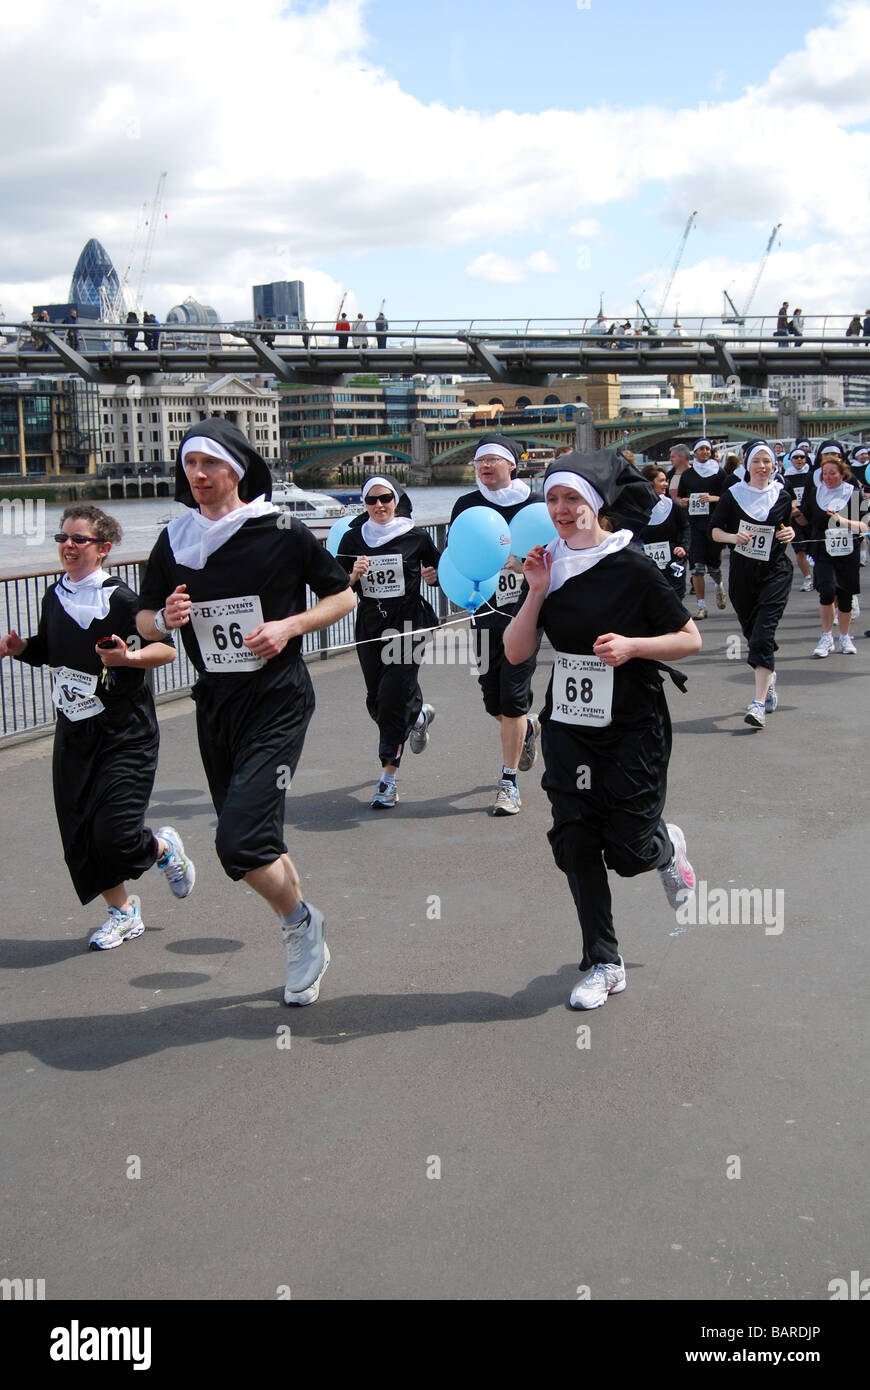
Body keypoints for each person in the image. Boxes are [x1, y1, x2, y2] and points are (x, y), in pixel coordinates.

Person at [136, 418, 355, 1005]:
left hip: (277, 697)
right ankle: (306, 932)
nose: (199, 474)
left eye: (210, 463)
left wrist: (289, 625)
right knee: (262, 835)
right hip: (215, 703)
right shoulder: (174, 539)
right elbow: (144, 616)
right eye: (190, 464)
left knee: (238, 843)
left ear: (237, 468)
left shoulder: (280, 529)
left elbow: (343, 594)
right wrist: (164, 621)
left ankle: (298, 924)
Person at [503, 449, 700, 1010]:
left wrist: (634, 646)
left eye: (573, 500)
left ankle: (666, 848)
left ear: (595, 506)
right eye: (554, 499)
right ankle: (603, 961)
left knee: (631, 850)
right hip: (569, 727)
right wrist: (536, 589)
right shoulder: (546, 565)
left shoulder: (631, 566)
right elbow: (516, 653)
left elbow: (689, 638)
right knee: (577, 841)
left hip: (633, 724)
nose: (561, 510)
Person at [0, 506, 193, 949]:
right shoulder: (55, 595)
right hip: (74, 731)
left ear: (104, 549)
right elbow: (51, 649)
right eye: (62, 537)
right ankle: (123, 912)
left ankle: (163, 850)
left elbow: (164, 653)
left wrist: (128, 658)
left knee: (118, 834)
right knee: (80, 831)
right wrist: (21, 647)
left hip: (125, 732)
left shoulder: (122, 600)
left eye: (78, 539)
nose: (68, 545)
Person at [449, 435, 542, 815]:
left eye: (493, 460)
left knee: (513, 695)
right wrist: (438, 572)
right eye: (479, 462)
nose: (485, 466)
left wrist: (524, 565)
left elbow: (559, 549)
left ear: (512, 465)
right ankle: (527, 730)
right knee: (492, 699)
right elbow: (457, 553)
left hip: (527, 612)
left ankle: (508, 782)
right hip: (484, 613)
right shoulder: (467, 505)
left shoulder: (536, 504)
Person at [337, 475, 441, 808]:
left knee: (392, 696)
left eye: (385, 498)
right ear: (364, 504)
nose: (379, 505)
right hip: (369, 627)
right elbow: (337, 590)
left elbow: (442, 571)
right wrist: (353, 575)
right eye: (372, 500)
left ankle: (387, 780)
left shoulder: (416, 537)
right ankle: (418, 716)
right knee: (377, 701)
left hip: (408, 626)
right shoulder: (353, 538)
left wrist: (434, 577)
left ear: (396, 500)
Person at [710, 444, 796, 727]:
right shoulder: (732, 496)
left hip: (775, 572)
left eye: (767, 462)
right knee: (753, 633)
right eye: (757, 461)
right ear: (747, 464)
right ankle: (768, 678)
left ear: (774, 466)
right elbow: (715, 531)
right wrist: (733, 538)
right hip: (743, 577)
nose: (762, 466)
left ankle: (757, 703)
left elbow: (789, 527)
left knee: (762, 635)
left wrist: (790, 532)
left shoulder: (782, 495)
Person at [793, 442, 867, 657]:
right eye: (824, 473)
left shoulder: (852, 493)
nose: (828, 477)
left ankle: (844, 637)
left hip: (847, 550)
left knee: (845, 594)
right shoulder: (816, 493)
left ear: (842, 474)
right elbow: (807, 521)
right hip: (823, 550)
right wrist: (796, 514)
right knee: (826, 590)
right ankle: (826, 636)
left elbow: (863, 526)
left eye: (832, 473)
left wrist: (841, 520)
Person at [677, 439, 729, 618]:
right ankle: (701, 606)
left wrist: (713, 499)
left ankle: (719, 585)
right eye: (701, 449)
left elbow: (728, 497)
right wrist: (683, 502)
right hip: (695, 525)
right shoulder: (688, 475)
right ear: (695, 453)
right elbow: (682, 498)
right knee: (697, 567)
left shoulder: (720, 473)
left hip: (714, 524)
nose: (705, 452)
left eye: (707, 449)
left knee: (714, 567)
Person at [638, 464, 690, 597]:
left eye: (666, 480)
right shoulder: (637, 509)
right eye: (661, 481)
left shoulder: (673, 506)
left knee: (675, 597)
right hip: (647, 562)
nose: (665, 484)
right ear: (649, 483)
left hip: (673, 560)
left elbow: (685, 528)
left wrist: (683, 546)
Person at [782, 446, 814, 590]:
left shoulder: (812, 475)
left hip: (812, 516)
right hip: (794, 517)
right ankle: (808, 578)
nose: (799, 460)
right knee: (800, 549)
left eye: (802, 457)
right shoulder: (785, 478)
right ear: (791, 460)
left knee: (815, 547)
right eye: (796, 457)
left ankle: (819, 575)